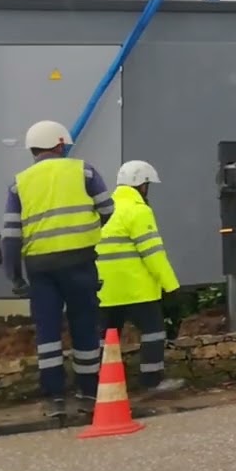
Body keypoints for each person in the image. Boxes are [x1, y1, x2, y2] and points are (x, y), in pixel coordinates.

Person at [0, 120, 114, 418]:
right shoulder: (84, 171)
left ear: (33, 149)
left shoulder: (19, 183)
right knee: (85, 328)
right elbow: (108, 212)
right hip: (79, 263)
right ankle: (89, 394)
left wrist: (14, 276)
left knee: (47, 332)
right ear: (60, 144)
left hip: (40, 269)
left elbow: (11, 236)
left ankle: (54, 400)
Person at [96, 160, 185, 396]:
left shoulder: (103, 209)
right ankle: (152, 381)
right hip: (137, 289)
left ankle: (103, 385)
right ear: (142, 185)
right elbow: (153, 253)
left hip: (105, 291)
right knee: (153, 331)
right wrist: (171, 285)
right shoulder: (138, 210)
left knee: (106, 337)